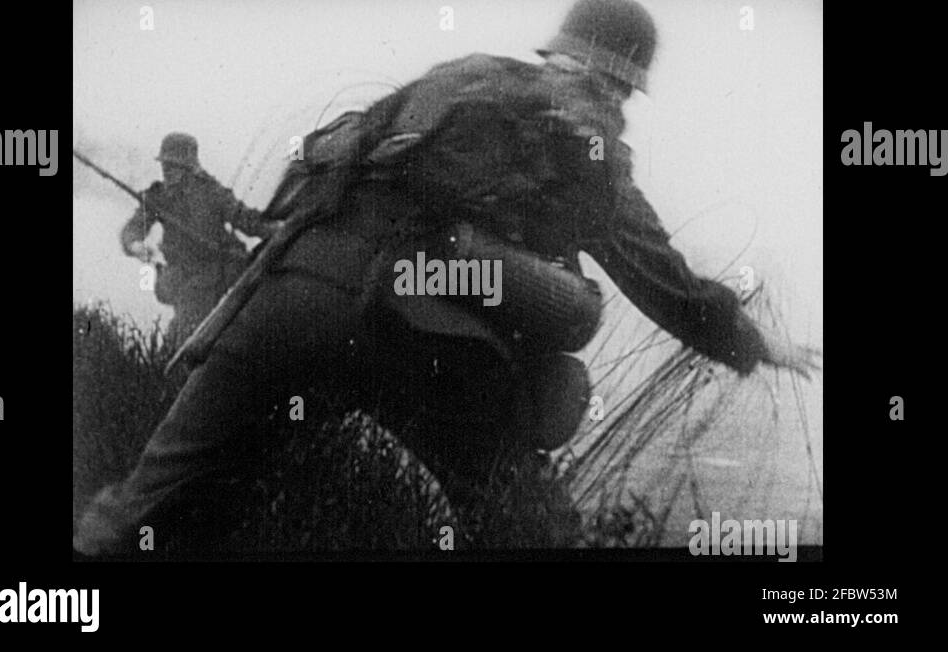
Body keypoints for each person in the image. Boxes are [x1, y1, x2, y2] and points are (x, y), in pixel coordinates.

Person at [74, 0, 819, 556]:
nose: (619, 105)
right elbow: (663, 279)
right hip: (409, 329)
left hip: (285, 294)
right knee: (521, 522)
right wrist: (751, 342)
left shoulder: (452, 80)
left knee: (150, 501)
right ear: (614, 80)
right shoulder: (585, 139)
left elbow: (319, 167)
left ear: (558, 49)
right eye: (624, 92)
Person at [120, 132, 273, 347]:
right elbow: (133, 229)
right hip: (182, 277)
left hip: (218, 274)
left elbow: (246, 220)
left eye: (173, 166)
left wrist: (276, 229)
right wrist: (137, 246)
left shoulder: (212, 192)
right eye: (165, 165)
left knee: (193, 336)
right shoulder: (159, 197)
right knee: (183, 337)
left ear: (189, 168)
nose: (167, 172)